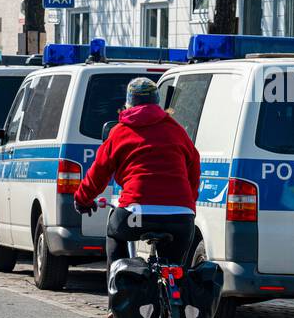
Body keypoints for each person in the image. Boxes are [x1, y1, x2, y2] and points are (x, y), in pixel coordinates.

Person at [73, 78, 200, 267]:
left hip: (137, 212)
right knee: (174, 268)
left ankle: (119, 282)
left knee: (115, 232)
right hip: (181, 215)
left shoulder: (119, 132)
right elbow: (194, 166)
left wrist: (82, 199)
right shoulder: (176, 130)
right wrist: (187, 200)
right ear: (157, 101)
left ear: (128, 102)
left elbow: (99, 172)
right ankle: (175, 291)